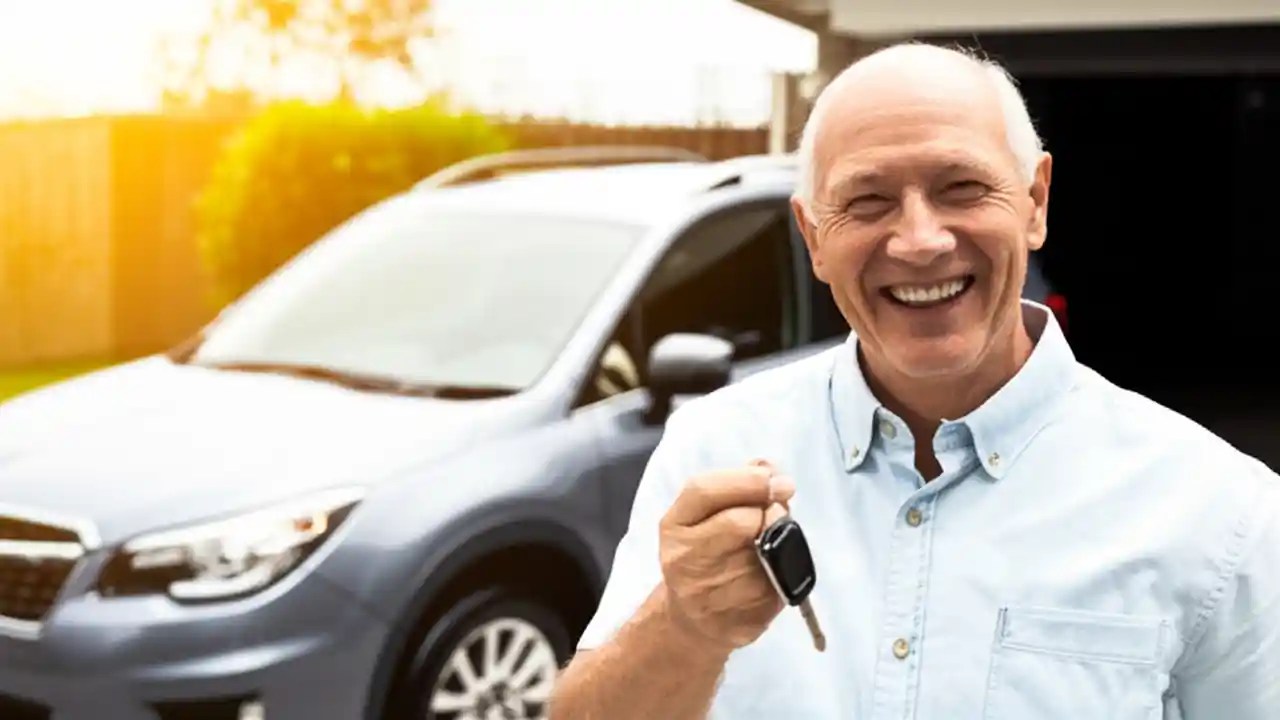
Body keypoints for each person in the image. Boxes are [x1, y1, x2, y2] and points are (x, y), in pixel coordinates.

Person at [548, 41, 1280, 719]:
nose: (920, 240)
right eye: (867, 201)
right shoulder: (713, 449)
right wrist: (681, 628)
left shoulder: (1223, 513)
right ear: (813, 238)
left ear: (1036, 203)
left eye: (961, 187)